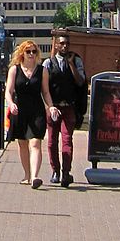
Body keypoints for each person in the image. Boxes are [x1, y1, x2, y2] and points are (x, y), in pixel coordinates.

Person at [5, 40, 53, 187]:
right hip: (19, 110)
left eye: (34, 51)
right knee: (22, 143)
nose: (31, 54)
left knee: (35, 142)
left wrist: (50, 107)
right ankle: (27, 175)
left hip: (36, 110)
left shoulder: (42, 71)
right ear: (22, 53)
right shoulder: (14, 70)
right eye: (28, 51)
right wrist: (11, 103)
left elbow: (45, 92)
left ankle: (34, 177)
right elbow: (8, 91)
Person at [44, 30, 86, 187]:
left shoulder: (76, 61)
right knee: (52, 141)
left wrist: (71, 64)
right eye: (61, 43)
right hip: (53, 107)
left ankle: (66, 172)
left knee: (67, 140)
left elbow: (80, 81)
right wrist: (49, 106)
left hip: (69, 107)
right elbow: (44, 87)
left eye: (67, 43)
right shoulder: (48, 63)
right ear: (56, 45)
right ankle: (55, 171)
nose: (64, 46)